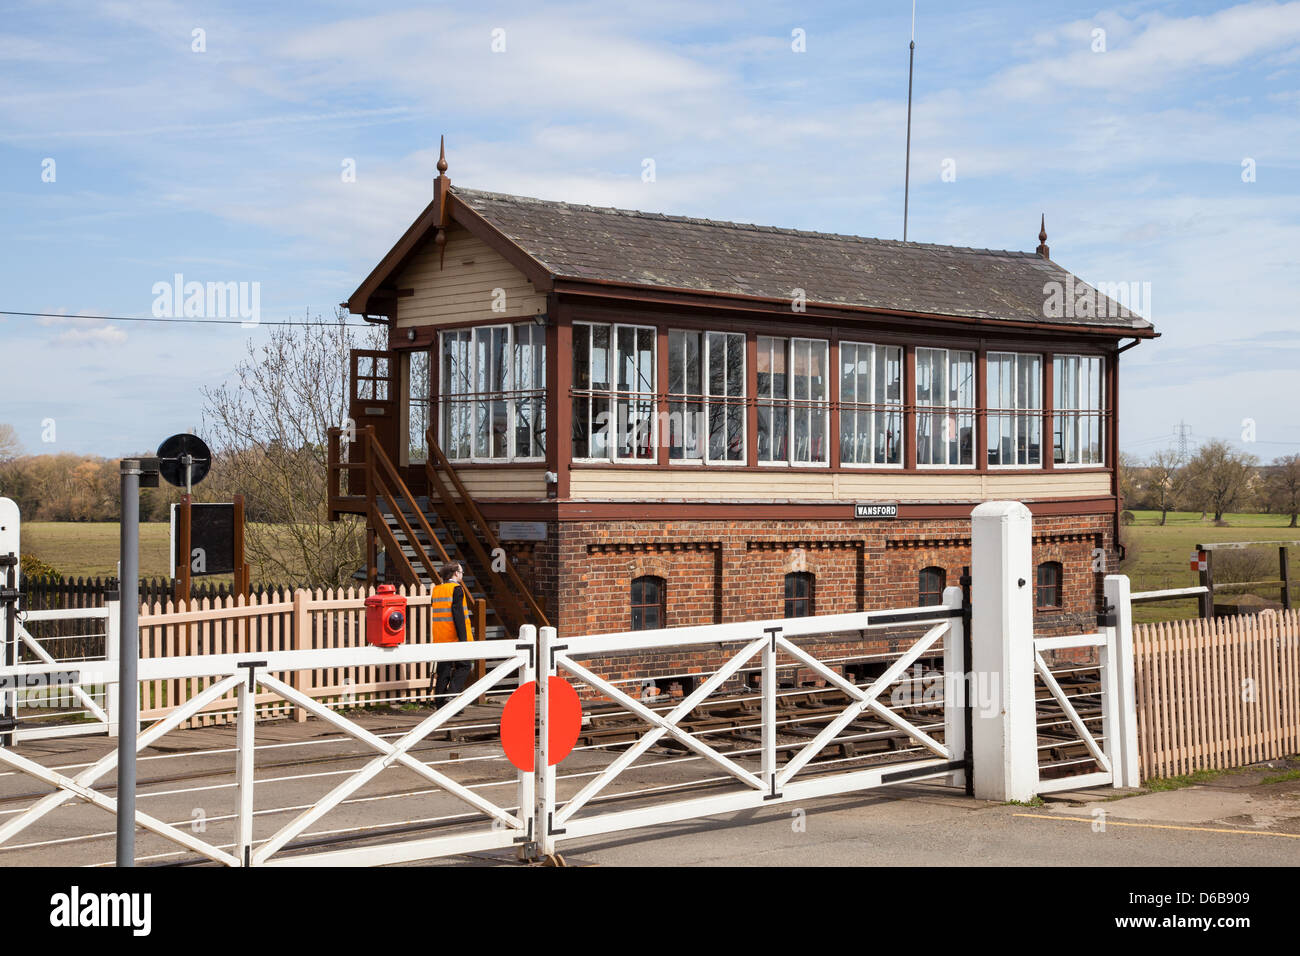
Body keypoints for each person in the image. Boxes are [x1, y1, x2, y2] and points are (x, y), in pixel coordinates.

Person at [430, 562, 475, 708]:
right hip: (454, 636)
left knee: (443, 669)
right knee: (465, 666)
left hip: (440, 636)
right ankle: (452, 695)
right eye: (461, 572)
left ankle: (440, 703)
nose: (462, 575)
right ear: (456, 573)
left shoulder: (437, 590)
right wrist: (463, 640)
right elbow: (458, 616)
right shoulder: (456, 589)